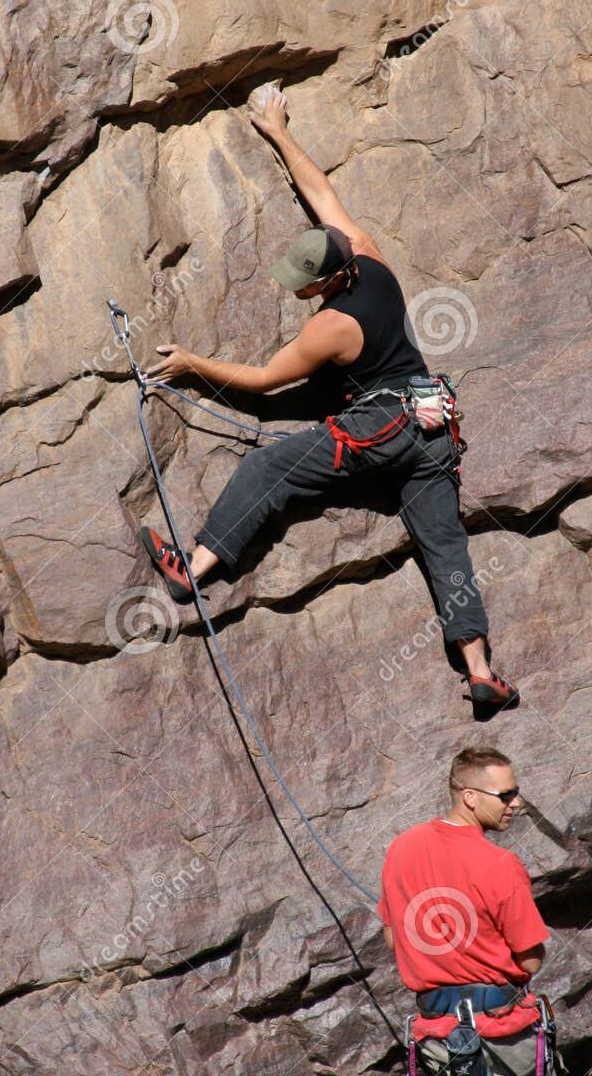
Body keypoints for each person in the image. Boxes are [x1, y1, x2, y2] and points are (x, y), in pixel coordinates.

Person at [141, 85, 518, 719]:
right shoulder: (368, 256)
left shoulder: (332, 326)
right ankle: (481, 672)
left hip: (387, 424)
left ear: (329, 279)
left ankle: (194, 569)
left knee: (268, 467)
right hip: (434, 425)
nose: (298, 288)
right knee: (445, 547)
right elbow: (323, 194)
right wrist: (278, 130)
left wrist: (190, 364)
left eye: (304, 281)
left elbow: (263, 381)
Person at [379, 747, 570, 1076]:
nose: (516, 803)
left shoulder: (401, 849)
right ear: (469, 796)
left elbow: (392, 936)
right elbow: (529, 961)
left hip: (443, 1034)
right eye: (505, 794)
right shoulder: (499, 864)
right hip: (504, 1026)